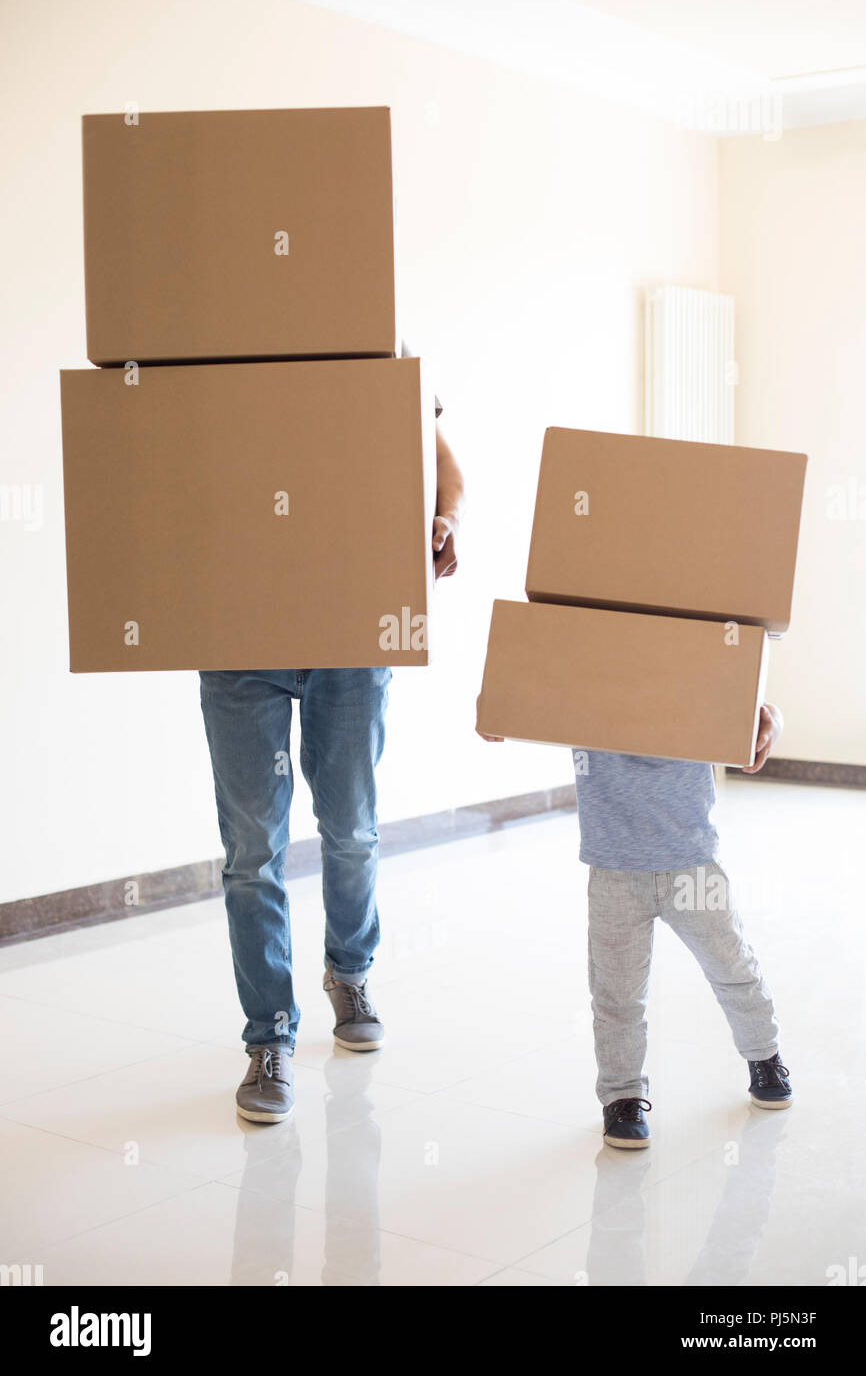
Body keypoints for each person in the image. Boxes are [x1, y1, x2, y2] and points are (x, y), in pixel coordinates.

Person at [202, 362, 464, 1125]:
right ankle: (269, 1036)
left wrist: (448, 520)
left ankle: (348, 971)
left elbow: (443, 462)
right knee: (253, 850)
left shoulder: (373, 335)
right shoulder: (205, 335)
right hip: (234, 631)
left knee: (349, 828)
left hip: (351, 626)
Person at [479, 703, 792, 1148]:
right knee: (617, 994)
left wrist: (771, 716)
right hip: (615, 868)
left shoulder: (690, 658)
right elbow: (533, 685)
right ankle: (622, 1094)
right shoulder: (589, 672)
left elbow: (742, 687)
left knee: (732, 967)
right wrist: (500, 700)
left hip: (692, 863)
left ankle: (765, 1056)